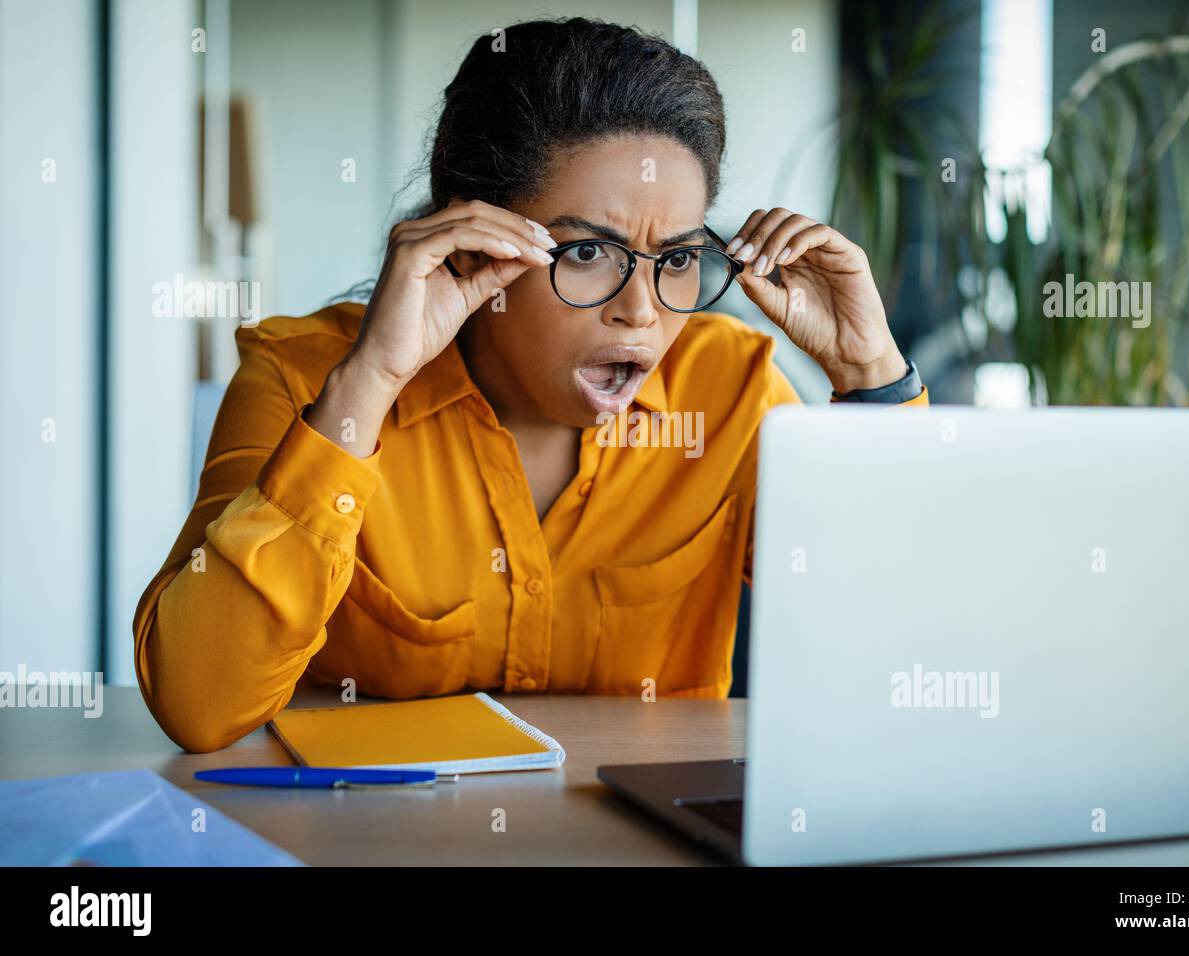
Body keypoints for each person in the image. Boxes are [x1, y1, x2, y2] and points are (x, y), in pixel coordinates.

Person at [133, 17, 928, 753]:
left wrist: (871, 377)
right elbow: (200, 705)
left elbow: (897, 650)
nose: (640, 312)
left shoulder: (732, 391)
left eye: (678, 260)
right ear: (475, 243)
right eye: (587, 253)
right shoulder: (303, 379)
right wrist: (370, 383)